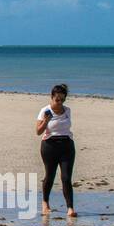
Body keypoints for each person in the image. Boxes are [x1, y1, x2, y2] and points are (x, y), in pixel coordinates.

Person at [35, 83, 77, 217]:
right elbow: (38, 131)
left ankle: (70, 208)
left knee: (66, 178)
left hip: (67, 146)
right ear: (52, 97)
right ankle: (45, 204)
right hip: (49, 146)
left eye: (62, 99)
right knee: (50, 176)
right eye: (57, 99)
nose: (60, 102)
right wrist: (46, 121)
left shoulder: (68, 110)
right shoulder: (44, 111)